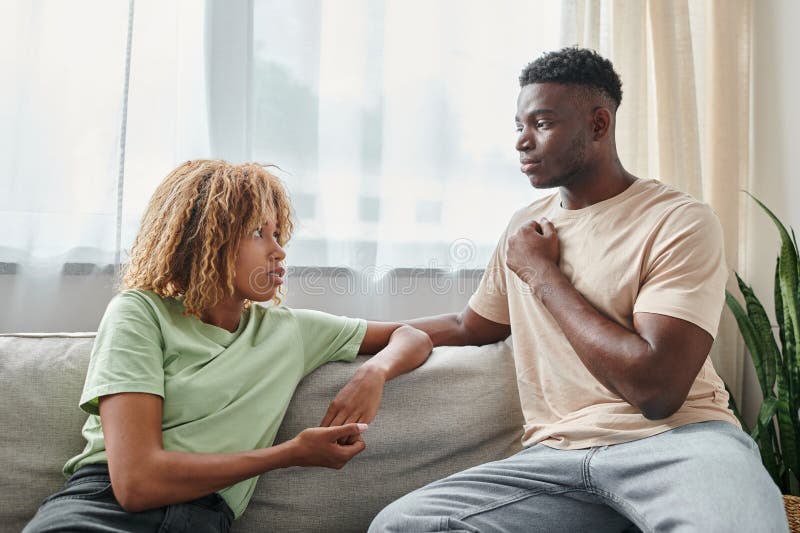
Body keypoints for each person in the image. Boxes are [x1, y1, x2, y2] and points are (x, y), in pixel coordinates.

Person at [369, 47, 788, 532]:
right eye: (518, 126)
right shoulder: (524, 227)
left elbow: (657, 390)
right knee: (402, 524)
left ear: (598, 124)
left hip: (679, 441)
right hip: (555, 458)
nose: (523, 142)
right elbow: (469, 326)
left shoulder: (678, 220)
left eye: (542, 124)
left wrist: (544, 276)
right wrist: (341, 338)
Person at [23, 160, 433, 533]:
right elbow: (136, 483)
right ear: (209, 238)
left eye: (278, 233)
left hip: (205, 519)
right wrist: (289, 453)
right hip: (99, 511)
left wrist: (374, 372)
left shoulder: (291, 331)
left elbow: (418, 334)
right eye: (258, 232)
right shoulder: (139, 313)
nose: (279, 249)